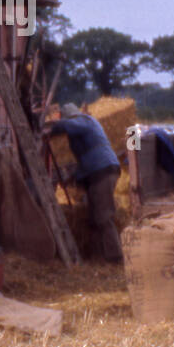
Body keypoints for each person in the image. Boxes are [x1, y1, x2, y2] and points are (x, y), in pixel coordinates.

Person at [43, 103, 123, 262]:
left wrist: (49, 127)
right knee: (94, 217)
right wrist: (73, 177)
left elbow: (68, 125)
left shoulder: (85, 121)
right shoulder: (82, 128)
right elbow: (85, 160)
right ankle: (98, 256)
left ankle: (115, 257)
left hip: (102, 170)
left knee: (103, 217)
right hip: (99, 170)